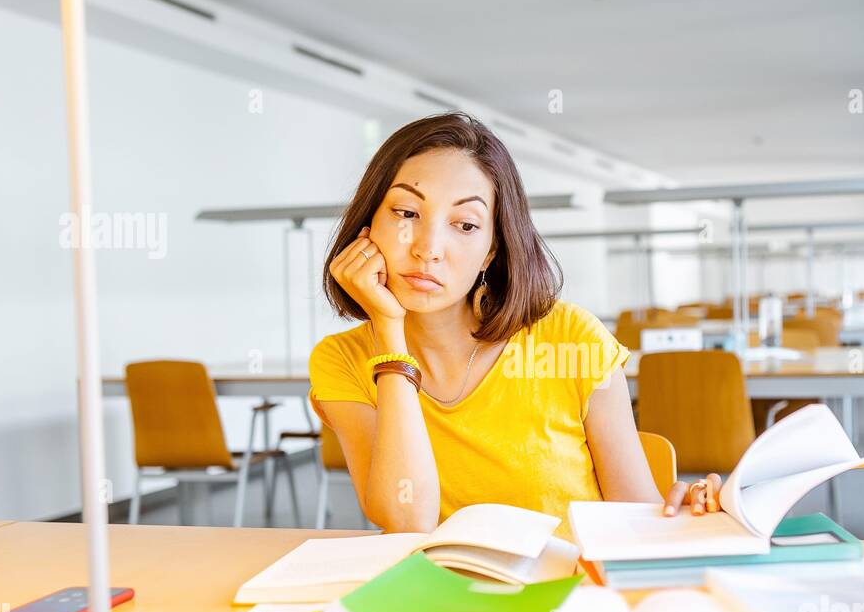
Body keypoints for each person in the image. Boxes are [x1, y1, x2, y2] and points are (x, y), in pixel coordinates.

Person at [309, 112, 722, 537]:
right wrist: (389, 333)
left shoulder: (570, 338)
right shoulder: (341, 361)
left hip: (570, 592)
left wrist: (687, 511)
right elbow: (407, 521)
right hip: (439, 596)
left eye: (466, 224)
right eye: (407, 212)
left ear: (491, 250)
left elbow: (639, 516)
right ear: (368, 225)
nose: (428, 248)